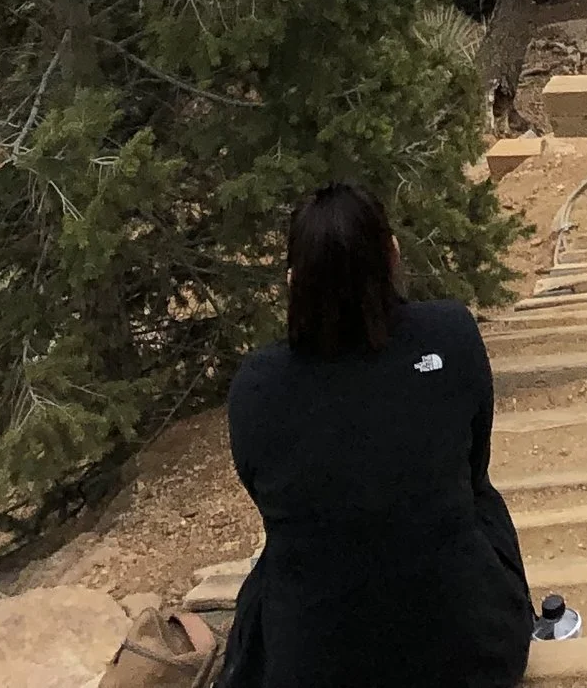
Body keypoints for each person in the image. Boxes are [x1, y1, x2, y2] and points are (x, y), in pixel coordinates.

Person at [222, 184, 537, 688]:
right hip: (475, 657)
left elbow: (267, 495)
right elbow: (474, 466)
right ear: (392, 255)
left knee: (284, 554)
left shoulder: (257, 384)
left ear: (292, 280)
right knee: (477, 499)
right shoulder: (451, 333)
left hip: (311, 670)